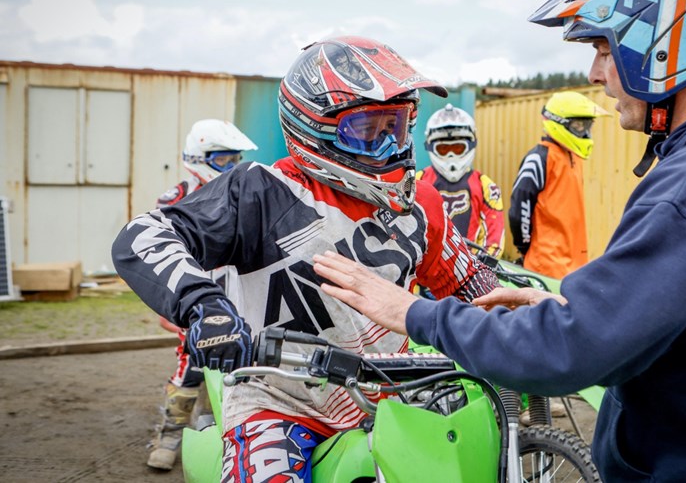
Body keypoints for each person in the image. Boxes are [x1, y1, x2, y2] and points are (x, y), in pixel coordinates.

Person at [312, 0, 686, 481]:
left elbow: (570, 353)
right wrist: (563, 305)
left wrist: (412, 313)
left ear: (662, 45)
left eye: (602, 48)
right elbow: (680, 312)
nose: (595, 74)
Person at [112, 36, 500, 482]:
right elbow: (142, 235)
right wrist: (207, 308)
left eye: (396, 126)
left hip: (397, 388)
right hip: (280, 398)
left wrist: (514, 308)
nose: (390, 147)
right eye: (368, 131)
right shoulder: (258, 191)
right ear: (314, 127)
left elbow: (468, 284)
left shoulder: (422, 203)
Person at [147, 118, 257, 471]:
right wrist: (167, 304)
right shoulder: (175, 200)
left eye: (235, 159)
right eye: (224, 160)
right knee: (190, 367)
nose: (232, 167)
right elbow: (157, 257)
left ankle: (225, 433)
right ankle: (169, 435)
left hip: (237, 295)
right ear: (200, 157)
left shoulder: (241, 197)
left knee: (241, 365)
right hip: (194, 298)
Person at [509, 91, 608, 277]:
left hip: (575, 264)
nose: (585, 132)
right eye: (579, 126)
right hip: (546, 266)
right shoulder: (539, 158)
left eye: (588, 126)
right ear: (559, 123)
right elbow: (519, 209)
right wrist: (525, 248)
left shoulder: (573, 156)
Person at [417, 104, 505, 257]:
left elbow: (493, 240)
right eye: (443, 148)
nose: (451, 155)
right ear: (431, 147)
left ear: (470, 145)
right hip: (424, 273)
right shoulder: (417, 181)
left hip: (471, 273)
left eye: (457, 148)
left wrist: (480, 269)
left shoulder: (485, 186)